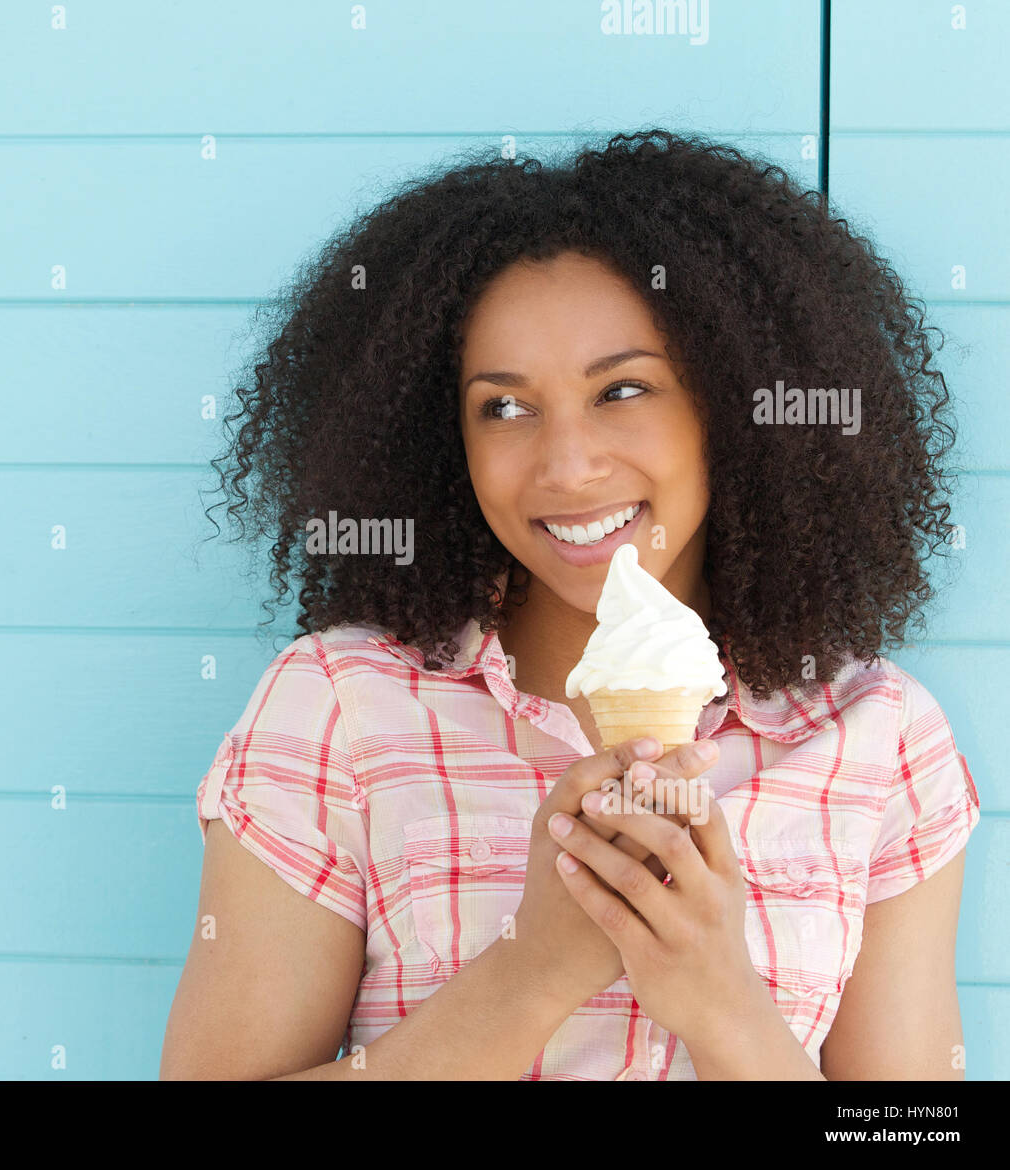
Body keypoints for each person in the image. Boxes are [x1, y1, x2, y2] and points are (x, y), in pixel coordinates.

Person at [160, 129, 980, 1080]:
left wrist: (725, 1010)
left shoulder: (880, 742)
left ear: (731, 403)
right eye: (504, 407)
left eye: (622, 390)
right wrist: (531, 973)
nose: (565, 466)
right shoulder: (338, 708)